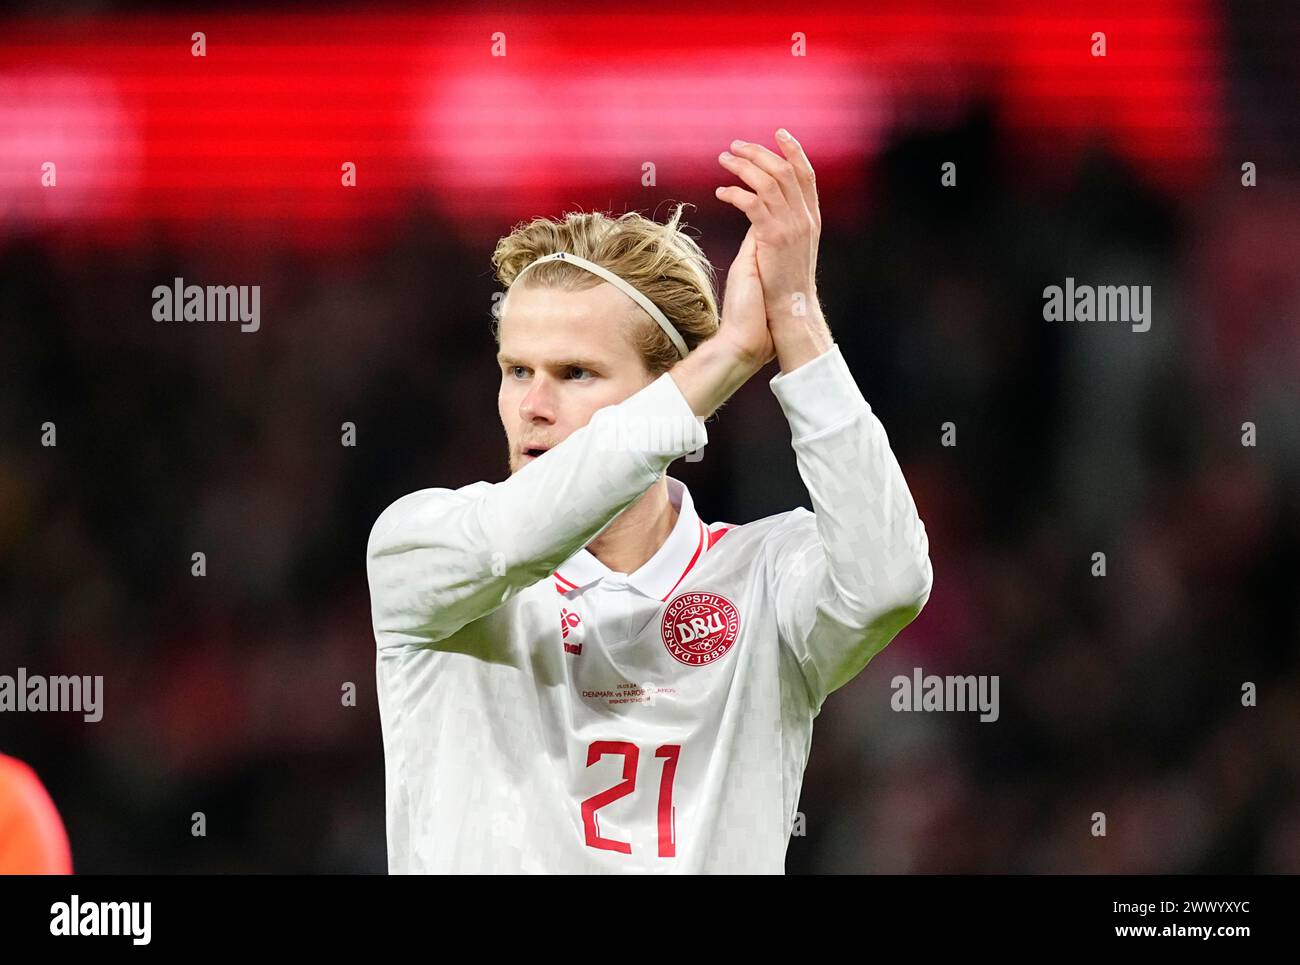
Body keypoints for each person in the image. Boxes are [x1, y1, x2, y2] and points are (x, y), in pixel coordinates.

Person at [367, 130, 932, 872]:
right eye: (515, 369)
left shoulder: (764, 577)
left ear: (668, 390)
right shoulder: (424, 549)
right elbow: (519, 536)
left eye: (575, 372)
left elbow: (890, 581)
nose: (532, 404)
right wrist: (730, 353)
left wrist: (794, 318)